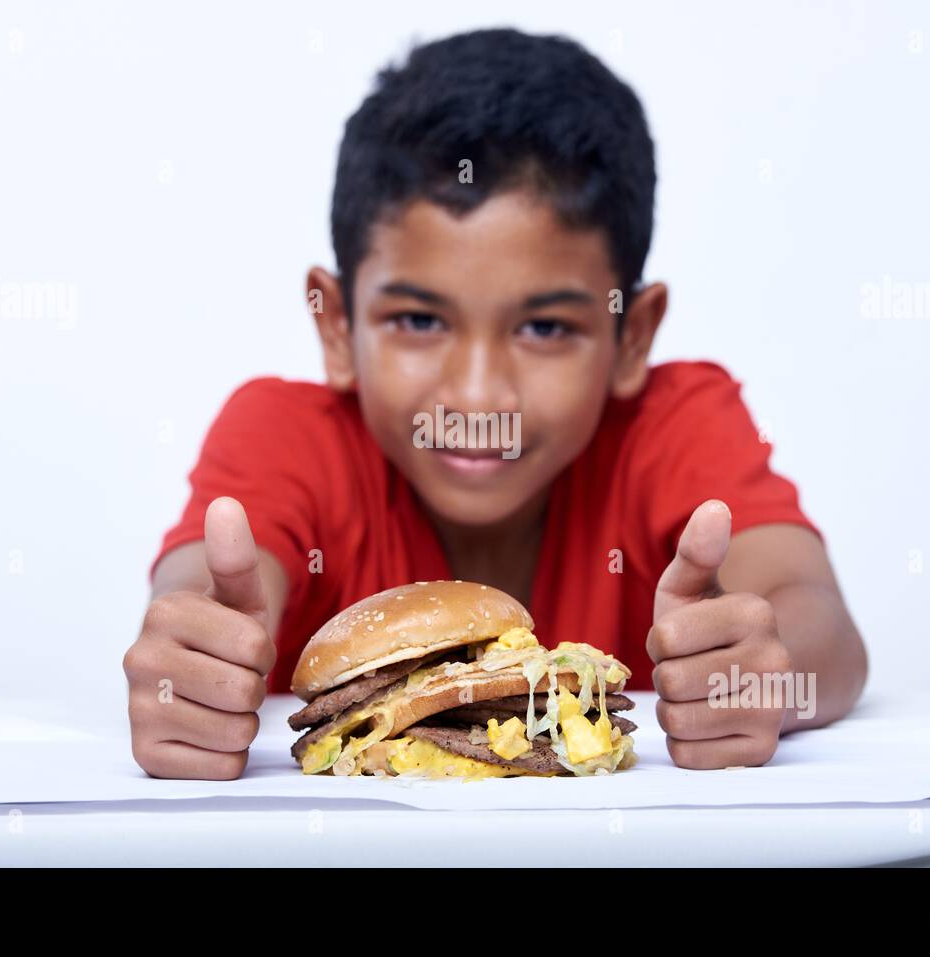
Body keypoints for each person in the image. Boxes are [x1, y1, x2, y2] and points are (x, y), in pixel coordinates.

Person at [123, 28, 868, 780]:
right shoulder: (284, 434)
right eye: (418, 321)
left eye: (545, 327)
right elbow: (198, 597)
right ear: (338, 325)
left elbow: (820, 625)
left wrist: (759, 674)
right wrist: (188, 657)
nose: (478, 395)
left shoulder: (673, 425)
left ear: (631, 335)